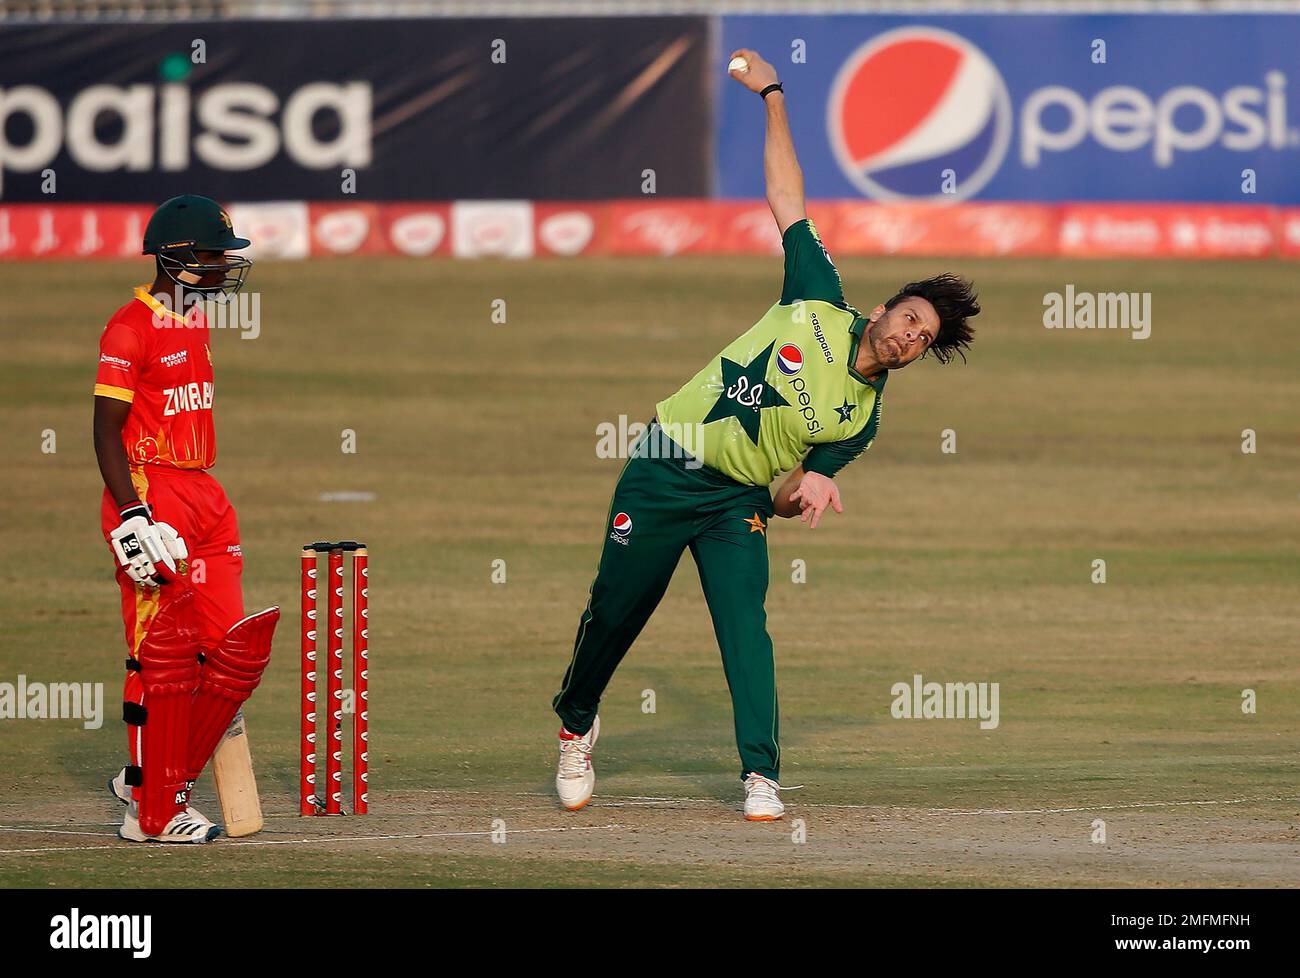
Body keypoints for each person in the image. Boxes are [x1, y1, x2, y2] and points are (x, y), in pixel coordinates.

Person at [551, 50, 981, 821]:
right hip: (662, 465)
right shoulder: (817, 297)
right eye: (909, 318)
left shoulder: (861, 419)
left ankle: (760, 775)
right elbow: (788, 196)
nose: (910, 337)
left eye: (924, 339)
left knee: (746, 631)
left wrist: (804, 489)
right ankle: (576, 725)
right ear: (883, 309)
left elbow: (787, 498)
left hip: (734, 504)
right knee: (616, 611)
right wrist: (773, 94)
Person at [93, 195, 277, 843]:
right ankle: (150, 812)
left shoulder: (192, 320)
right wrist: (134, 516)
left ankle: (149, 778)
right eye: (212, 255)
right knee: (160, 657)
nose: (224, 267)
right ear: (177, 258)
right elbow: (106, 432)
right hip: (151, 492)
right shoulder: (128, 328)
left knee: (226, 655)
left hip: (204, 492)